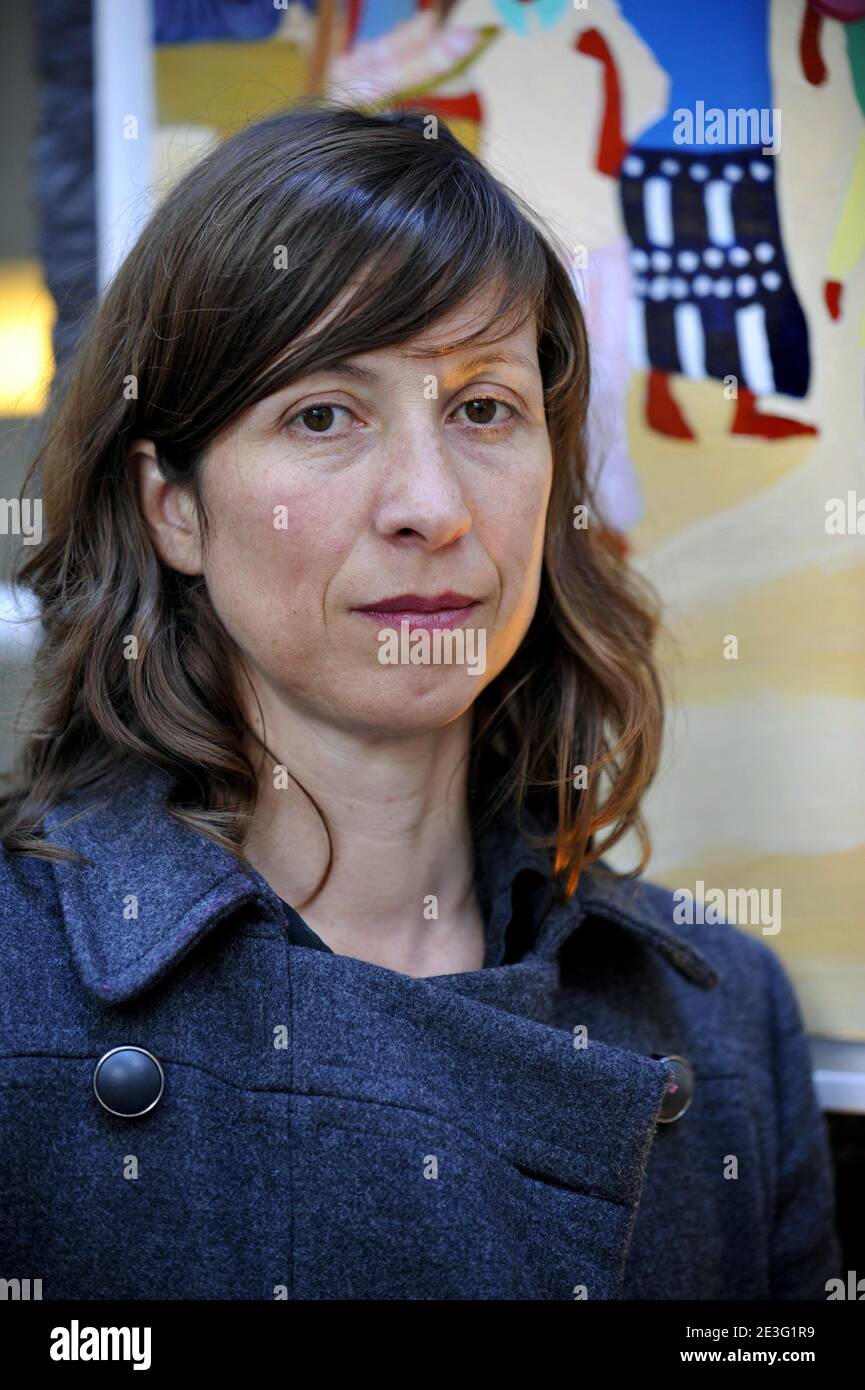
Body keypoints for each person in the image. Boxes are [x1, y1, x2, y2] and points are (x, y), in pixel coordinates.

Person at [0, 101, 842, 1301]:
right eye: (324, 414)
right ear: (171, 508)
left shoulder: (718, 1014)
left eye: (483, 409)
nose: (431, 505)